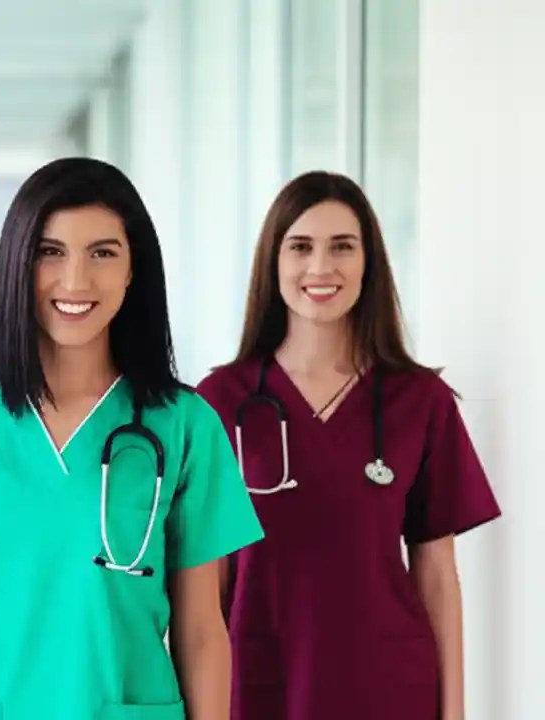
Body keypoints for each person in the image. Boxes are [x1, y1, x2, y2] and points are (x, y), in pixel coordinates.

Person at [0, 157, 264, 719]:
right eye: (50, 252)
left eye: (102, 253)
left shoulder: (185, 425)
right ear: (17, 264)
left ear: (133, 270)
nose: (76, 280)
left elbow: (202, 630)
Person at [196, 171, 502, 720]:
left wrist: (454, 713)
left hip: (387, 691)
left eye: (342, 247)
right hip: (259, 686)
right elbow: (206, 589)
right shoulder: (221, 401)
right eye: (300, 247)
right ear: (273, 263)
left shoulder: (420, 402)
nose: (321, 267)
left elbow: (437, 578)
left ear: (369, 263)